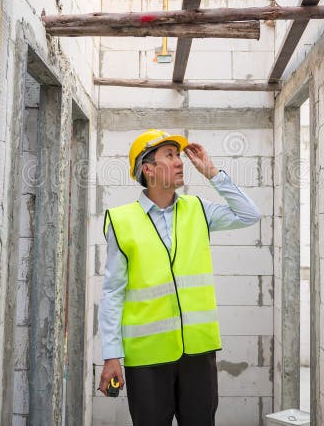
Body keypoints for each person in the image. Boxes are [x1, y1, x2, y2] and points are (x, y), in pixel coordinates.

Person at [98, 129, 261, 426]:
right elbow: (113, 292)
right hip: (147, 358)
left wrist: (212, 172)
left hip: (197, 354)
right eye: (170, 155)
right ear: (147, 168)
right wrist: (111, 356)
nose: (179, 161)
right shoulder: (121, 221)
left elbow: (249, 214)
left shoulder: (198, 210)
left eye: (178, 155)